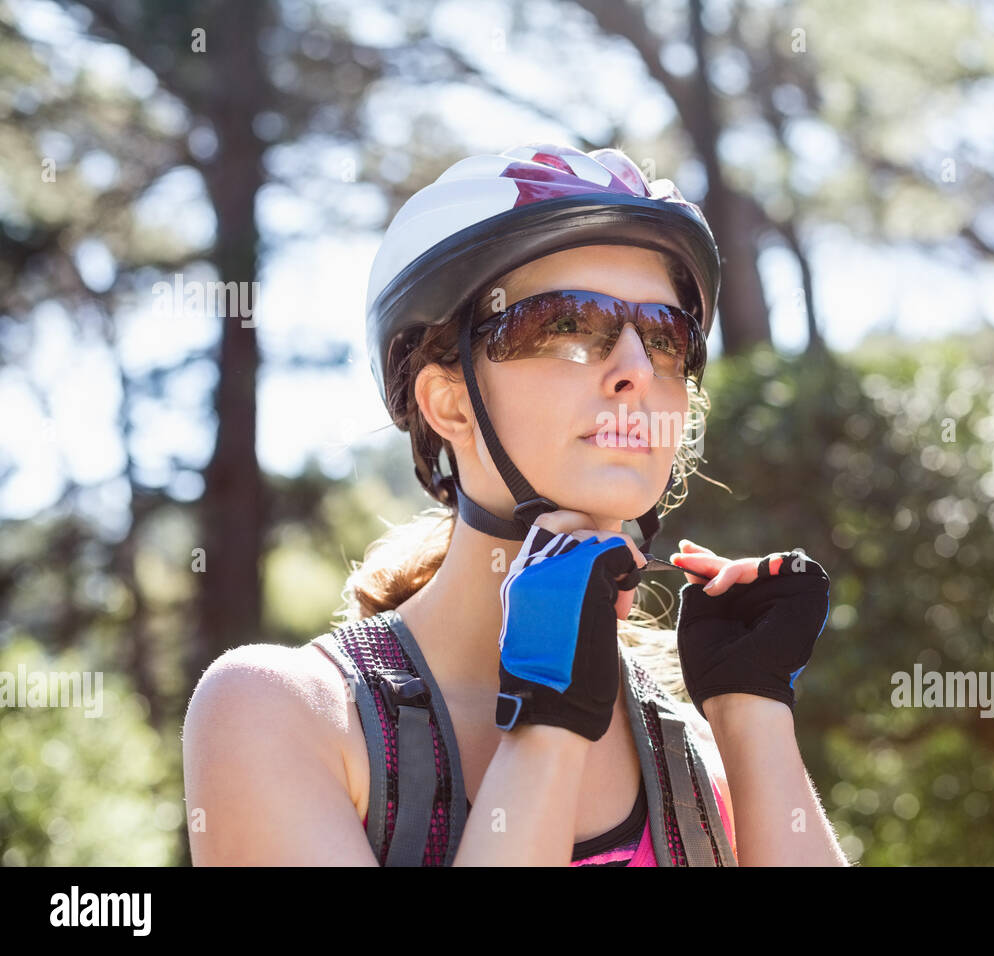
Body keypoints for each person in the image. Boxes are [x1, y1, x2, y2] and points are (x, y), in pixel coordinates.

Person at [182, 142, 845, 866]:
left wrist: (752, 715)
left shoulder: (694, 759)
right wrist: (549, 722)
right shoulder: (280, 714)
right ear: (450, 403)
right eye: (568, 326)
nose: (635, 370)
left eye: (665, 336)